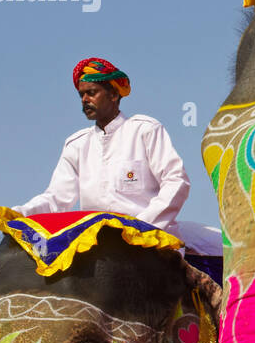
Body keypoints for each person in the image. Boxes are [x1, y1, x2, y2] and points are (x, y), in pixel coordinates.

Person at [15, 58, 220, 255]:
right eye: (82, 95)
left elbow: (176, 181)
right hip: (94, 242)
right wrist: (20, 213)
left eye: (92, 93)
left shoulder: (145, 130)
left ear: (113, 94)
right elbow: (56, 199)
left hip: (150, 240)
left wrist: (141, 226)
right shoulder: (76, 145)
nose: (85, 100)